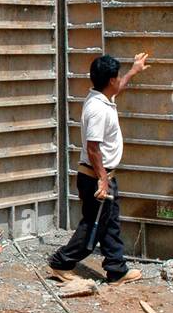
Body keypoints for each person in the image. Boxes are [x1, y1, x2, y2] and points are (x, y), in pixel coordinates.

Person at [47, 52, 149, 286]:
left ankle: (116, 271)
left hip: (102, 175)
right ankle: (61, 262)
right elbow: (93, 148)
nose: (120, 79)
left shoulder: (103, 97)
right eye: (118, 76)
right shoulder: (97, 109)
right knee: (91, 227)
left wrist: (134, 70)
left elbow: (119, 87)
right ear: (110, 80)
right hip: (95, 177)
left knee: (109, 224)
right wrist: (103, 180)